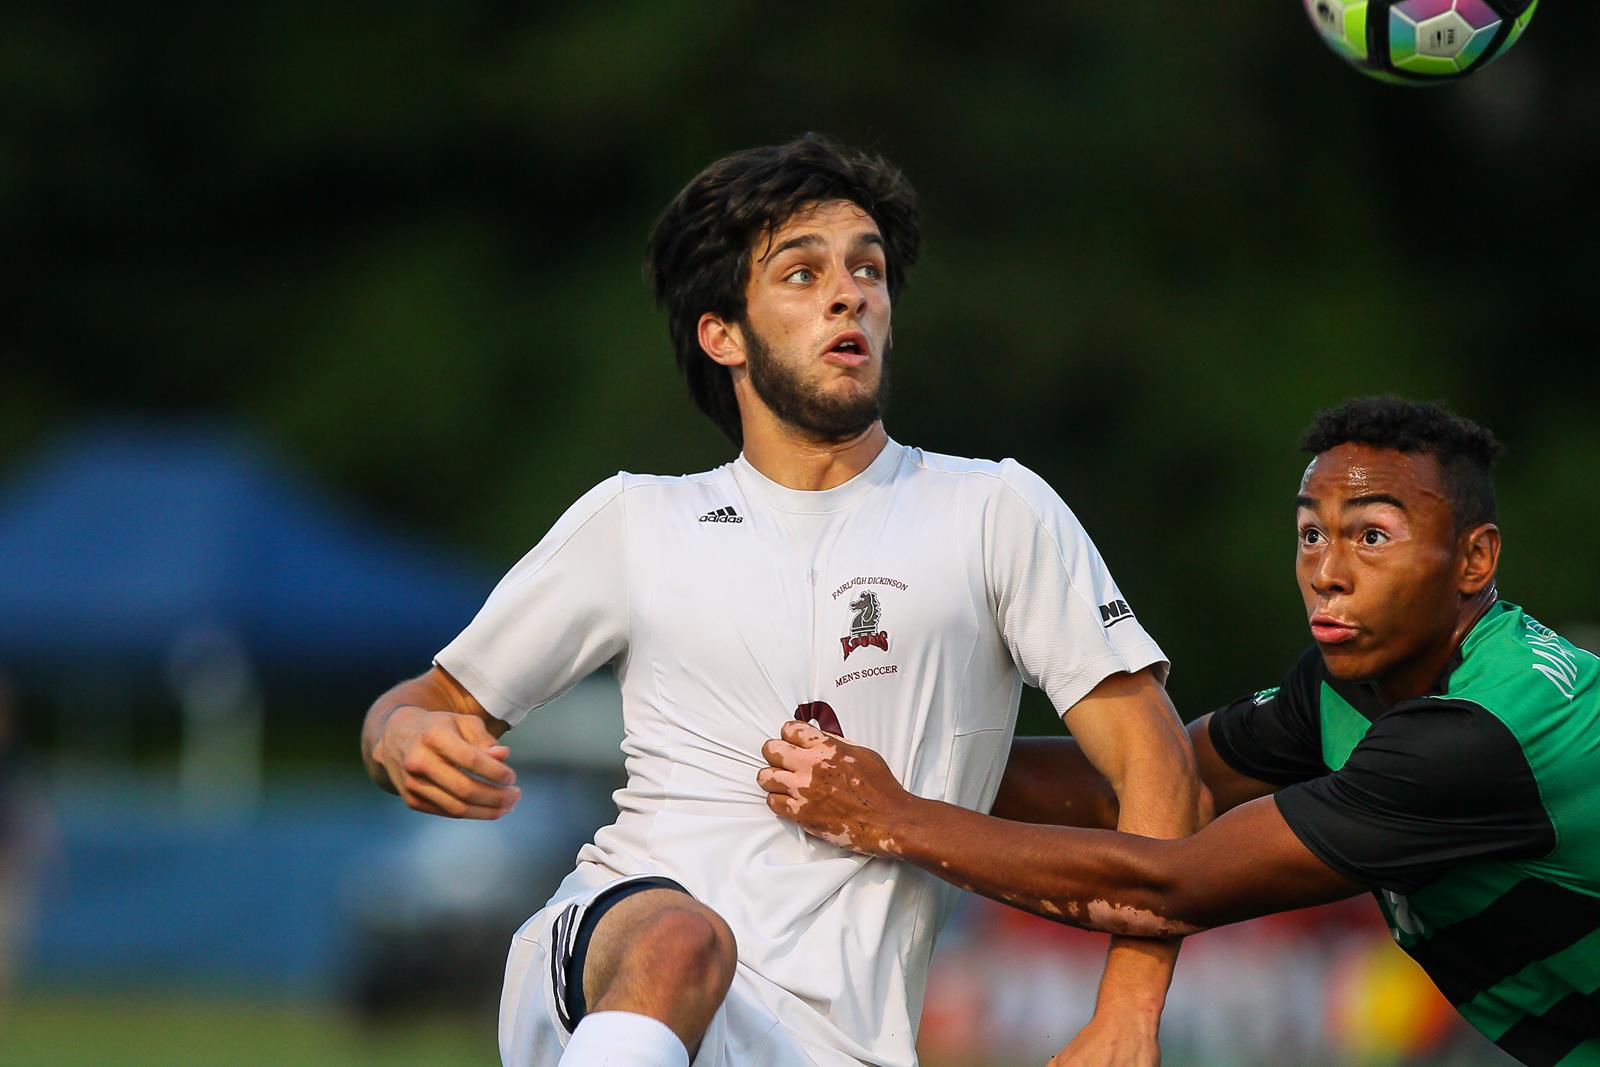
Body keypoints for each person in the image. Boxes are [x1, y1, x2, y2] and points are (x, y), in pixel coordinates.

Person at [360, 133, 1205, 1067]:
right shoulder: (638, 519)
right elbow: (429, 702)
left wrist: (1128, 1011)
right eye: (802, 274)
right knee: (687, 942)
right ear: (723, 333)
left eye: (868, 270)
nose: (850, 293)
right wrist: (398, 736)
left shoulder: (996, 510)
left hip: (844, 1040)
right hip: (626, 955)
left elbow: (1159, 766)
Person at [761, 396, 1600, 1067]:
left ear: (1474, 560)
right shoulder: (1352, 684)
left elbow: (1176, 882)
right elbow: (1134, 785)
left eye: (1372, 536)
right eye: (1312, 533)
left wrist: (891, 816)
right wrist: (883, 752)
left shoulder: (1474, 733)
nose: (1328, 572)